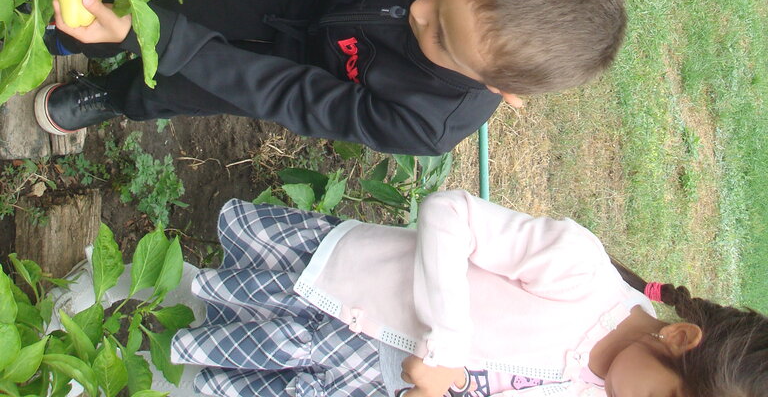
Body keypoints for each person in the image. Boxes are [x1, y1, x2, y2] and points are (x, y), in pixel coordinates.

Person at [34, 0, 625, 154]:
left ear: (503, 92)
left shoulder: (430, 123)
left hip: (303, 81)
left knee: (180, 84)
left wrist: (169, 44)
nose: (418, 8)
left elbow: (288, 97)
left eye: (442, 37)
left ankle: (114, 97)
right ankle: (77, 35)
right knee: (178, 4)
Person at [168, 189, 768, 397]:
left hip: (353, 377)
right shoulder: (580, 273)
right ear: (682, 337)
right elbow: (449, 213)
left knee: (206, 371)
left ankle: (103, 365)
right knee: (193, 307)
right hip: (342, 306)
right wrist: (446, 345)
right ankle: (103, 291)